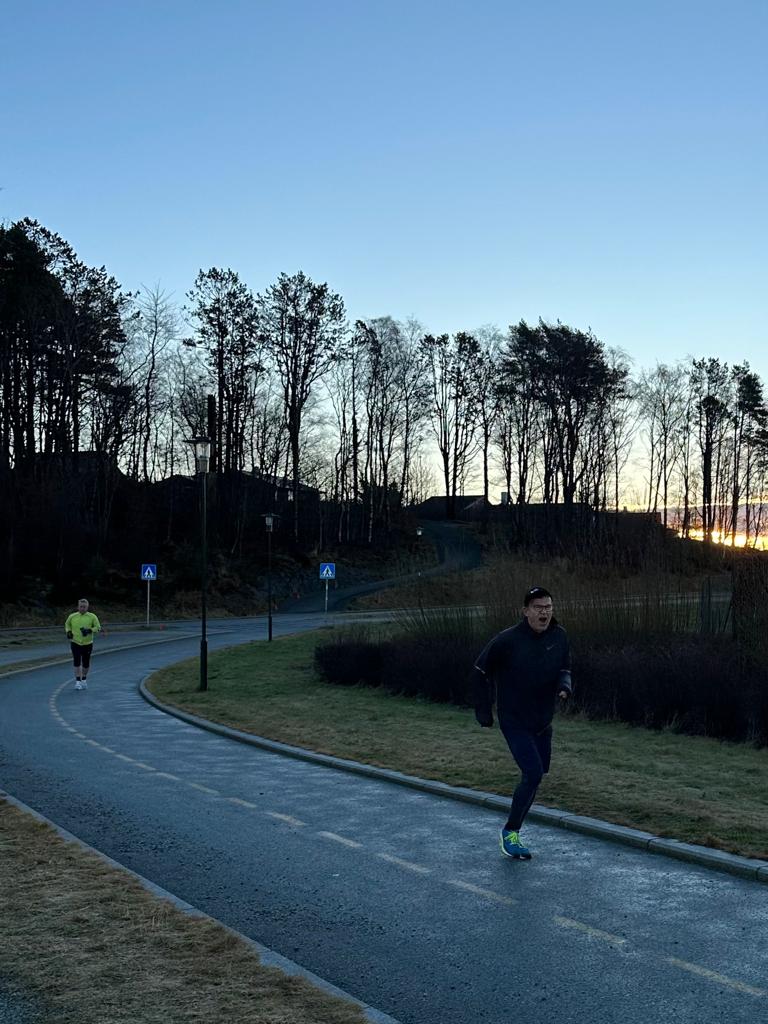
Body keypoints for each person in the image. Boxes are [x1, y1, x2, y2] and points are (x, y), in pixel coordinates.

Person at [472, 587, 572, 860]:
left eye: (548, 607)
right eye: (539, 607)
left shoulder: (559, 636)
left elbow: (565, 667)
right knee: (533, 773)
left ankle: (514, 828)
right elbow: (480, 671)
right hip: (514, 720)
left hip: (542, 720)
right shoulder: (507, 641)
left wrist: (565, 686)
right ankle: (510, 833)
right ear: (525, 610)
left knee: (538, 774)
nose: (545, 613)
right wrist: (484, 709)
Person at [64, 598, 101, 691]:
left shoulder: (92, 616)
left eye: (84, 607)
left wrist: (89, 630)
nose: (82, 608)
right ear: (78, 607)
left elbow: (98, 627)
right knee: (76, 661)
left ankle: (84, 678)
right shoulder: (72, 616)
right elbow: (67, 624)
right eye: (81, 606)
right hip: (75, 642)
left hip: (87, 643)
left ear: (87, 607)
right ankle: (77, 681)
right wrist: (68, 632)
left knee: (86, 663)